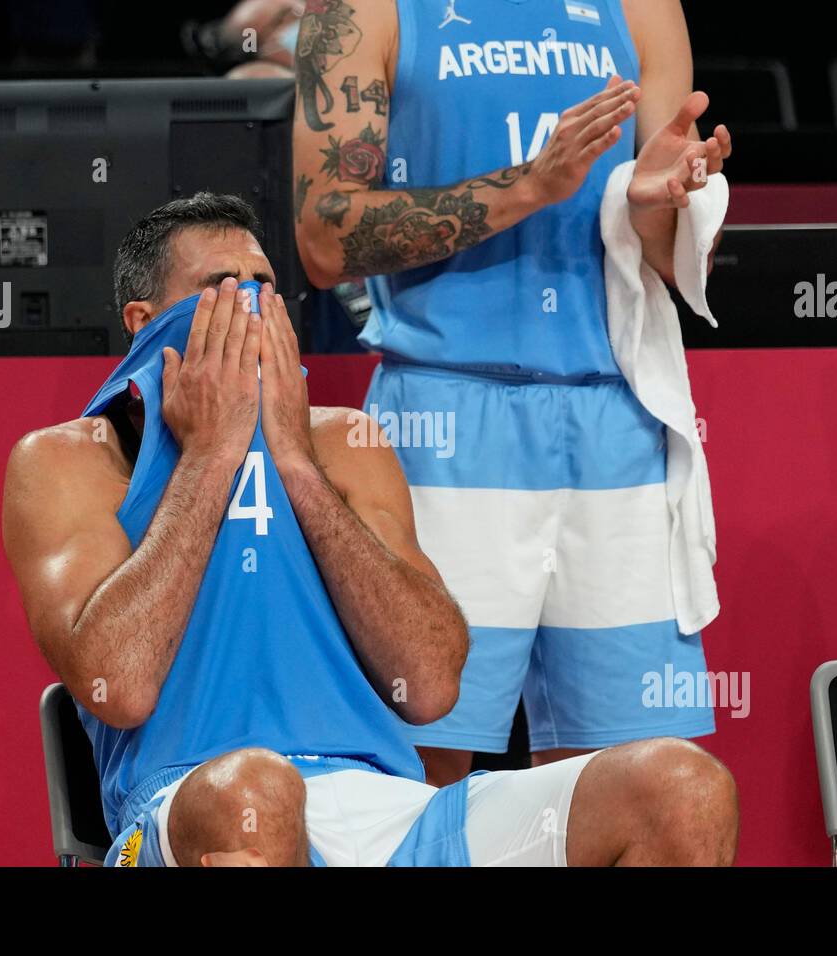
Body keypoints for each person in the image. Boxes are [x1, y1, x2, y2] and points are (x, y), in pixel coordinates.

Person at [2, 192, 737, 866]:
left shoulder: (344, 444)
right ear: (143, 324)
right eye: (223, 290)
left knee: (682, 788)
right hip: (191, 802)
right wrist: (212, 453)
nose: (254, 310)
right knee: (254, 793)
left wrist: (293, 460)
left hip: (388, 812)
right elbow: (119, 685)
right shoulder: (69, 461)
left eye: (266, 290)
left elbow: (429, 684)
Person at [292, 0, 732, 786]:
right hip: (442, 424)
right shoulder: (361, 10)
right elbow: (325, 237)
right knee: (419, 776)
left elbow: (665, 257)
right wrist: (528, 186)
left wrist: (660, 202)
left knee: (645, 785)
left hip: (616, 419)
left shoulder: (645, 9)